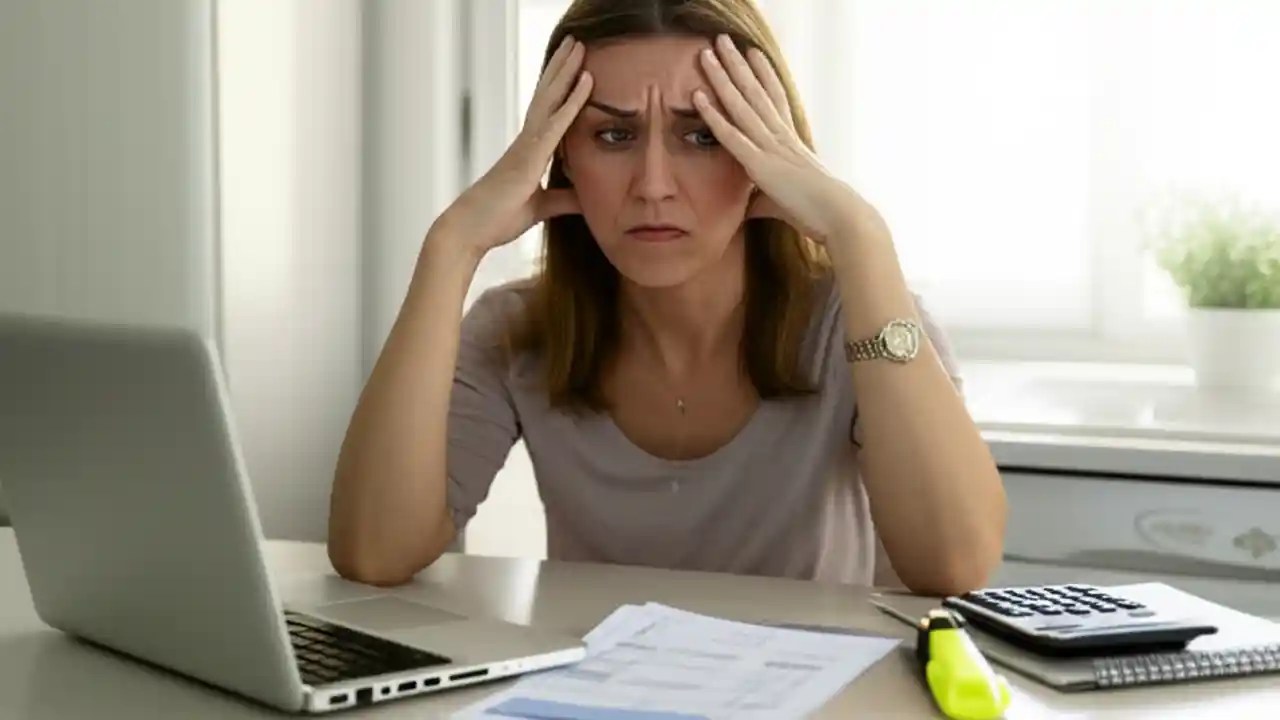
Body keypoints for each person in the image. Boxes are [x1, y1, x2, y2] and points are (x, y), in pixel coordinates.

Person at [327, 0, 1007, 596]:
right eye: (614, 135)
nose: (653, 184)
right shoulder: (517, 330)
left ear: (765, 150)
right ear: (561, 155)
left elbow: (954, 566)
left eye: (702, 135)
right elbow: (373, 552)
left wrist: (861, 237)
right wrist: (451, 247)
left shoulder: (859, 320)